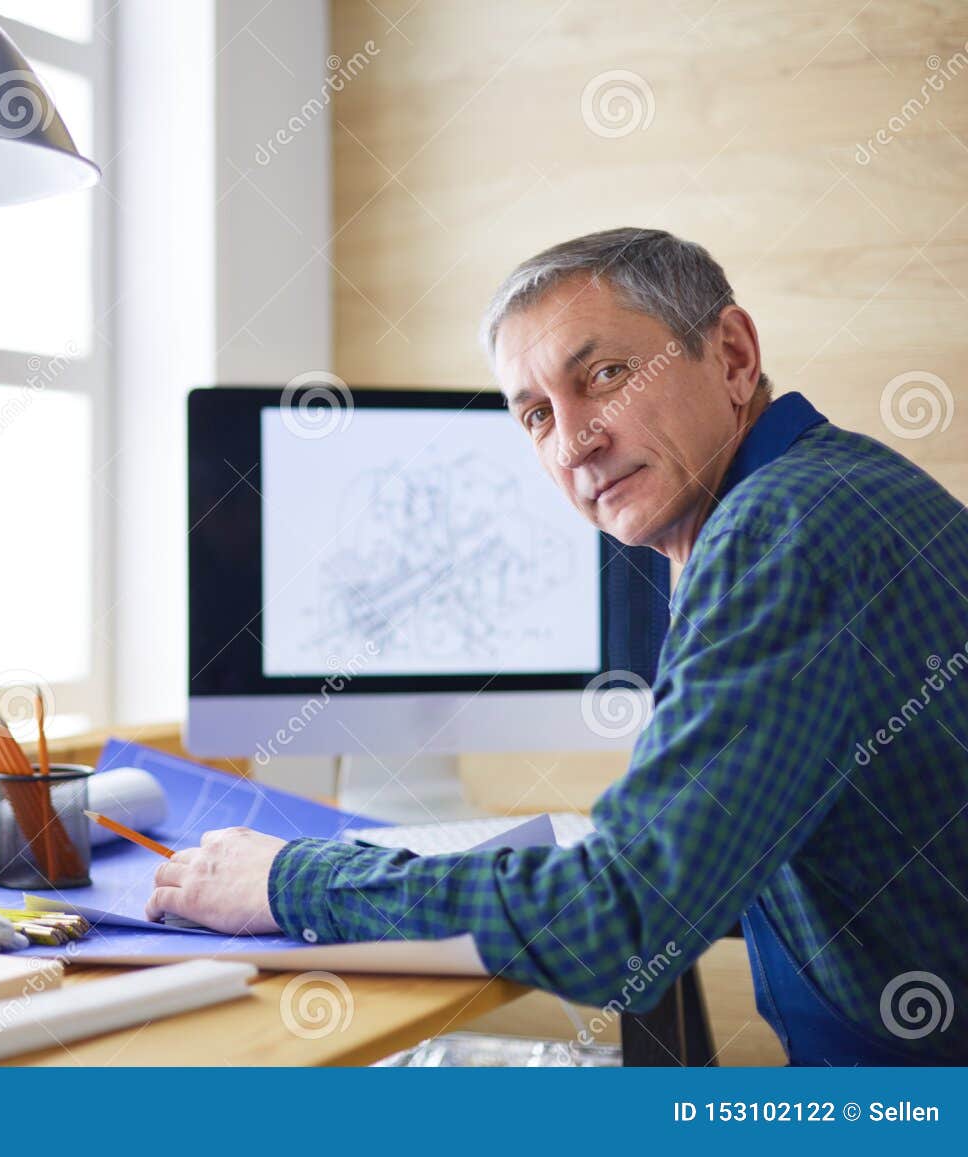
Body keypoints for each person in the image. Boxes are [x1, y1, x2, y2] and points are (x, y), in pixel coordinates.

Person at [144, 227, 968, 1065]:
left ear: (731, 356)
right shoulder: (826, 490)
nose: (574, 444)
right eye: (537, 415)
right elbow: (685, 883)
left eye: (605, 375)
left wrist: (289, 881)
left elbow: (624, 920)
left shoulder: (780, 533)